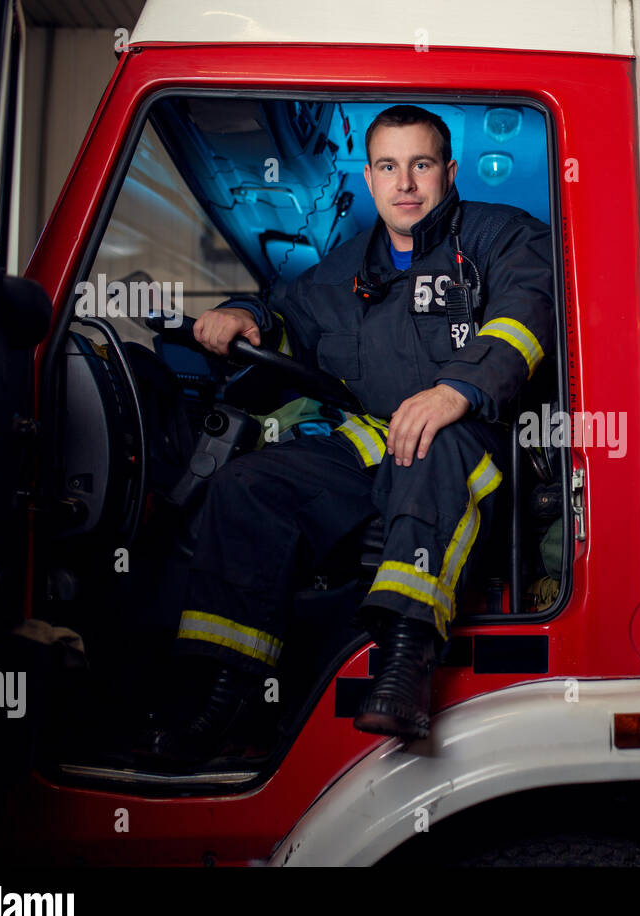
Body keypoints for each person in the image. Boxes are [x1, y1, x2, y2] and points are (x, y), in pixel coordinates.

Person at [145, 104, 555, 760]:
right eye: (389, 167)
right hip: (372, 443)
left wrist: (457, 390)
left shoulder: (504, 236)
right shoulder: (343, 269)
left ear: (448, 171)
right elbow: (286, 318)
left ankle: (404, 663)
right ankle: (227, 694)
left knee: (430, 442)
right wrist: (243, 315)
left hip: (471, 439)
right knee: (247, 487)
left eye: (421, 165)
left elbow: (526, 314)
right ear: (367, 178)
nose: (406, 184)